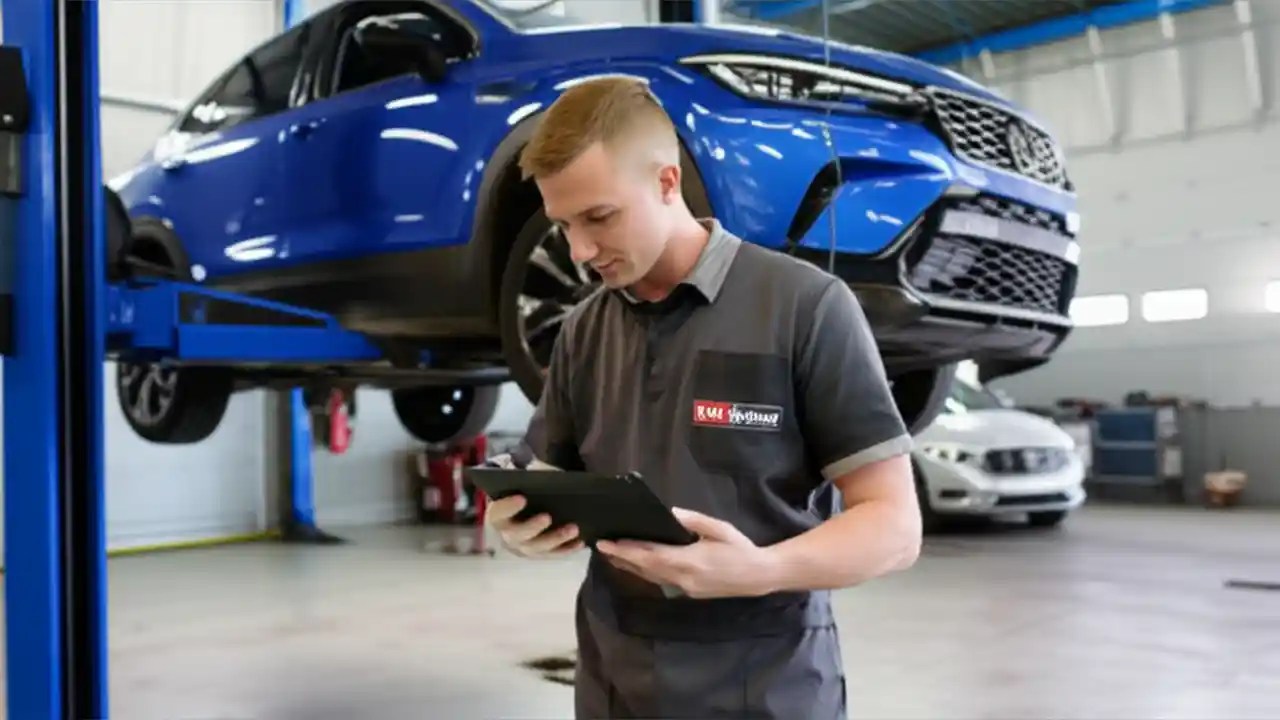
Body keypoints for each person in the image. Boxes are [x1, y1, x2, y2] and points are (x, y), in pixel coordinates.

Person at [485, 76, 922, 719]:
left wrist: (763, 568)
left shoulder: (804, 307)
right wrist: (520, 527)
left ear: (666, 183)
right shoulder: (583, 327)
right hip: (615, 676)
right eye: (564, 225)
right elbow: (547, 476)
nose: (579, 252)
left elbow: (893, 527)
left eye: (600, 217)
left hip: (764, 680)